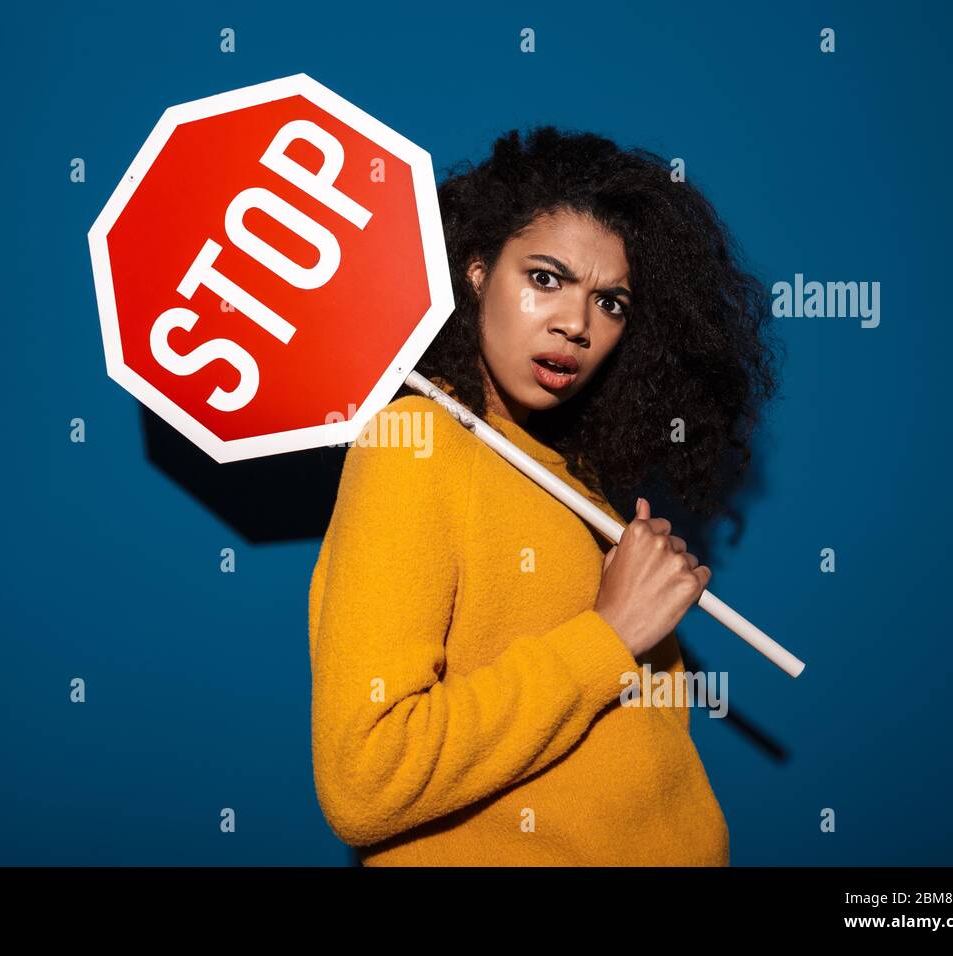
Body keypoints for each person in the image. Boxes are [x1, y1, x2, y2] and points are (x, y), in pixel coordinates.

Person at [307, 126, 781, 866]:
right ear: (474, 273)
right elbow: (368, 775)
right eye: (546, 278)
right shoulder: (416, 442)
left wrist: (638, 603)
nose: (577, 324)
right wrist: (609, 634)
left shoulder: (572, 477)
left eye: (612, 303)